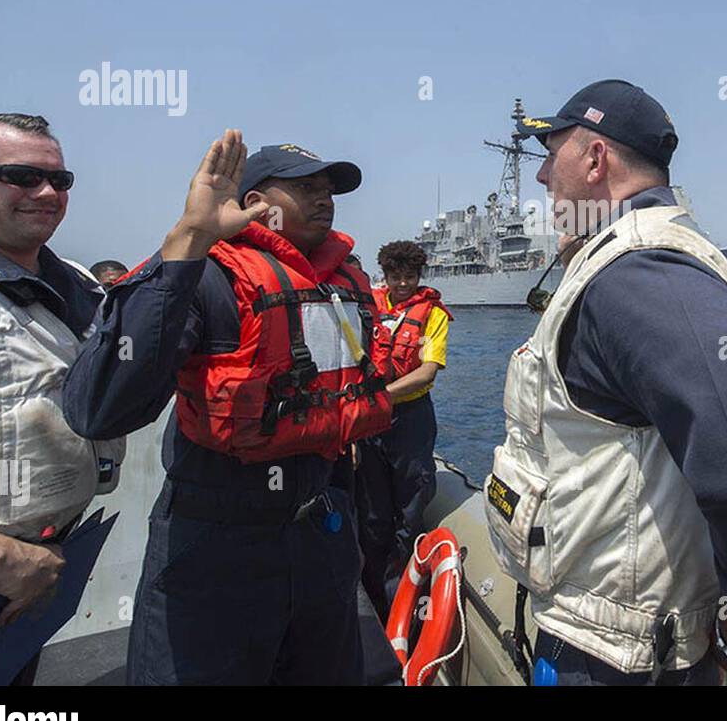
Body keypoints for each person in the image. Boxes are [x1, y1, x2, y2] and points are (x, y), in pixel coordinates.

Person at [485, 80, 727, 686]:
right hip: (595, 633)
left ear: (593, 158)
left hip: (620, 663)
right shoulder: (622, 260)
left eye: (550, 155)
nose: (539, 178)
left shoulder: (640, 277)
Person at [62, 133, 400, 685]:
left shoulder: (342, 287)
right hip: (216, 542)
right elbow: (98, 410)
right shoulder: (208, 277)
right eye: (303, 187)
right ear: (252, 204)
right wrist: (190, 238)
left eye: (328, 189)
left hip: (323, 534)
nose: (324, 199)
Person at [0, 113, 125, 686]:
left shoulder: (83, 288)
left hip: (35, 581)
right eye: (20, 176)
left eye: (60, 181)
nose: (47, 193)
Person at [356, 240, 452, 615]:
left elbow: (428, 370)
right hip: (370, 419)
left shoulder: (433, 315)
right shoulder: (369, 308)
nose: (402, 284)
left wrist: (382, 397)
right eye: (395, 277)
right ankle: (375, 596)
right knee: (373, 512)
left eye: (409, 276)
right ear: (385, 276)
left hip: (410, 418)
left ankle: (401, 595)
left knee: (411, 505)